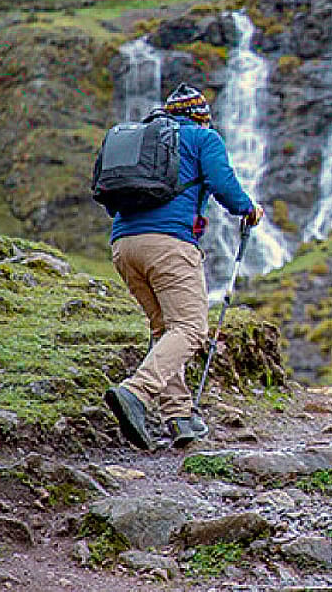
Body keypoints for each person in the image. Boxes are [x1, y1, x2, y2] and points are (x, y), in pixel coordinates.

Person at [102, 83, 264, 450]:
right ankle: (136, 392)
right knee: (191, 327)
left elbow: (111, 200)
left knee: (165, 328)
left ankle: (179, 417)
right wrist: (249, 209)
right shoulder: (202, 138)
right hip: (169, 246)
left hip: (124, 245)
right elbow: (222, 184)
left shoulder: (141, 143)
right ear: (201, 117)